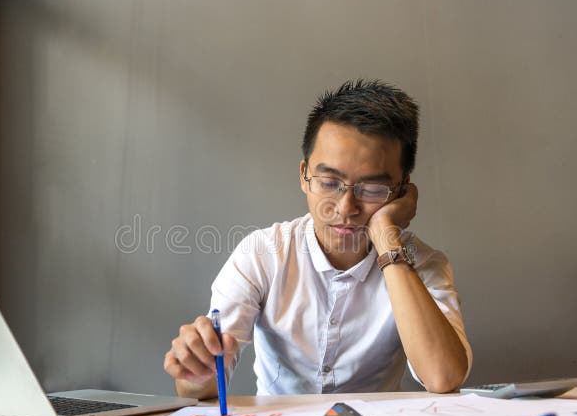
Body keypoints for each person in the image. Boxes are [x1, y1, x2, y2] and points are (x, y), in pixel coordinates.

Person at [163, 79, 471, 397]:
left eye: (373, 189)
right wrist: (196, 371)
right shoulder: (262, 254)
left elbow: (443, 377)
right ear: (304, 176)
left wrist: (387, 240)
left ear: (402, 191)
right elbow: (200, 387)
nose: (346, 208)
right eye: (329, 181)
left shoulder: (423, 263)